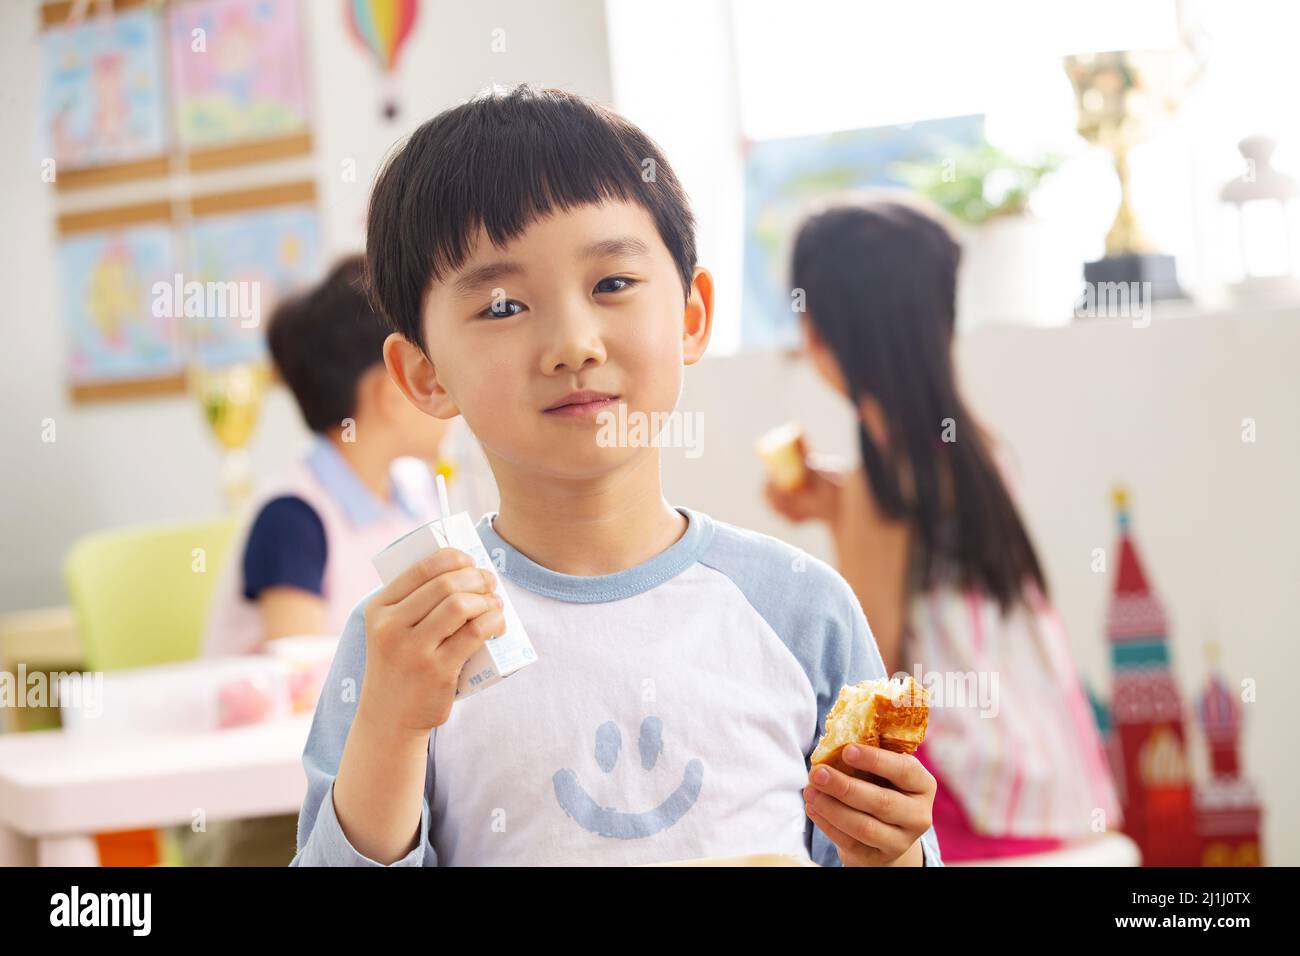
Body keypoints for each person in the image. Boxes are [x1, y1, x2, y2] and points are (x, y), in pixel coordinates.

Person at [292, 86, 943, 867]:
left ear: (692, 316)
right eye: (501, 306)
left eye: (611, 285)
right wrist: (393, 724)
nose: (573, 343)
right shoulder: (409, 643)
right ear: (424, 374)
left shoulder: (802, 609)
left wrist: (894, 852)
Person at [764, 195, 1120, 861]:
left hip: (955, 807)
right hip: (1036, 787)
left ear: (817, 331)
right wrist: (839, 507)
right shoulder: (973, 452)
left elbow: (867, 671)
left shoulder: (882, 486)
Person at [188, 255, 448, 866]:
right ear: (387, 393)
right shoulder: (294, 515)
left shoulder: (414, 497)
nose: (448, 392)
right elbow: (303, 678)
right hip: (273, 820)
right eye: (430, 371)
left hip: (379, 788)